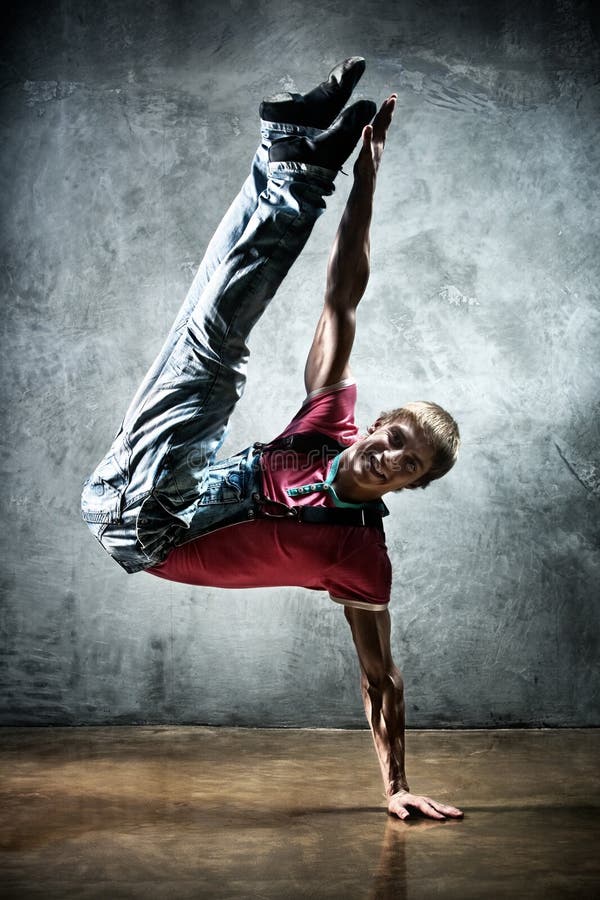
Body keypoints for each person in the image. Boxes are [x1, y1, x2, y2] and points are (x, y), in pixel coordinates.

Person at [81, 58, 463, 822]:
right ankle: (288, 157)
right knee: (213, 339)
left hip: (145, 531)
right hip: (140, 483)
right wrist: (366, 175)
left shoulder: (362, 560)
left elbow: (382, 680)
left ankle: (289, 164)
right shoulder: (327, 427)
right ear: (379, 420)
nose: (387, 453)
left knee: (215, 367)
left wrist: (393, 786)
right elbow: (342, 293)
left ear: (407, 487)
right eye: (393, 435)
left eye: (406, 463)